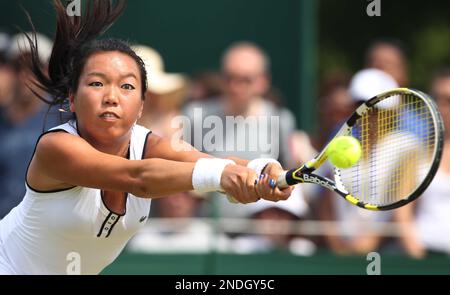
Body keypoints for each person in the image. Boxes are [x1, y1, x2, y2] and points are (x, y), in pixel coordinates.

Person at [0, 0, 293, 275]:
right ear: (72, 99)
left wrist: (261, 169)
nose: (111, 97)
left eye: (126, 87)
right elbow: (139, 178)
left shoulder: (149, 144)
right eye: (97, 83)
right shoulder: (57, 147)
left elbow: (212, 162)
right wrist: (222, 178)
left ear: (141, 106)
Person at [182, 41, 298, 218]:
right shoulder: (195, 116)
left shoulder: (282, 121)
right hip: (206, 229)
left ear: (263, 81)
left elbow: (287, 174)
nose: (236, 87)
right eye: (230, 78)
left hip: (258, 230)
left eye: (246, 80)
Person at [395, 67, 450, 258]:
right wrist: (418, 256)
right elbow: (402, 212)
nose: (441, 107)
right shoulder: (415, 154)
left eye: (448, 101)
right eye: (437, 99)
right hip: (424, 255)